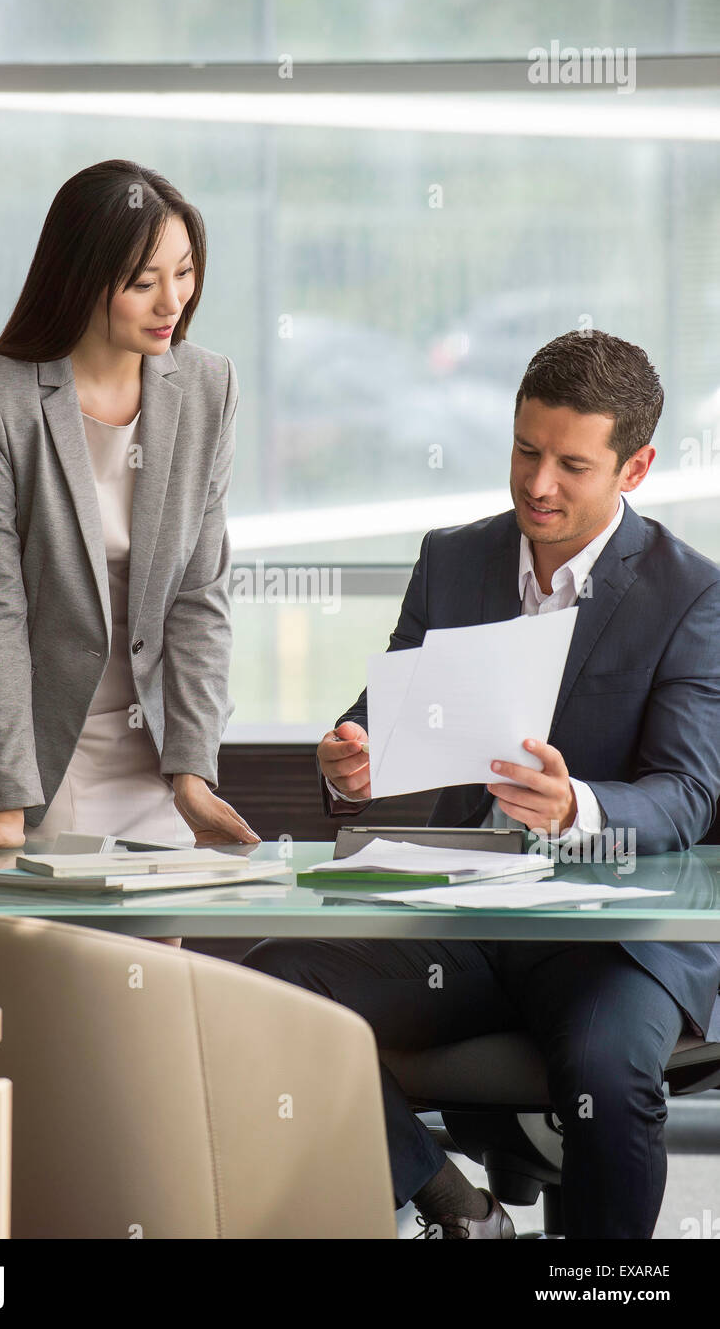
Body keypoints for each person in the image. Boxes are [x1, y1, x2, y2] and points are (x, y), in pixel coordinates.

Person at [245, 330, 720, 1238]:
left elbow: (687, 795)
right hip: (465, 921)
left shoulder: (689, 594)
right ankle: (455, 1207)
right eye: (524, 451)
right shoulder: (452, 561)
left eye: (571, 465)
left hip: (614, 938)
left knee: (606, 1072)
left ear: (636, 467)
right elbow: (375, 723)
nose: (538, 485)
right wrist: (348, 766)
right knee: (270, 992)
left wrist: (579, 803)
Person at [0, 160, 259, 892]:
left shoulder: (208, 386)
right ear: (80, 278)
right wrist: (8, 805)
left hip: (159, 760)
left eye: (185, 271)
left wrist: (193, 773)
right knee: (85, 989)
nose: (172, 300)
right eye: (143, 282)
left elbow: (200, 598)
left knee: (159, 993)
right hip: (50, 753)